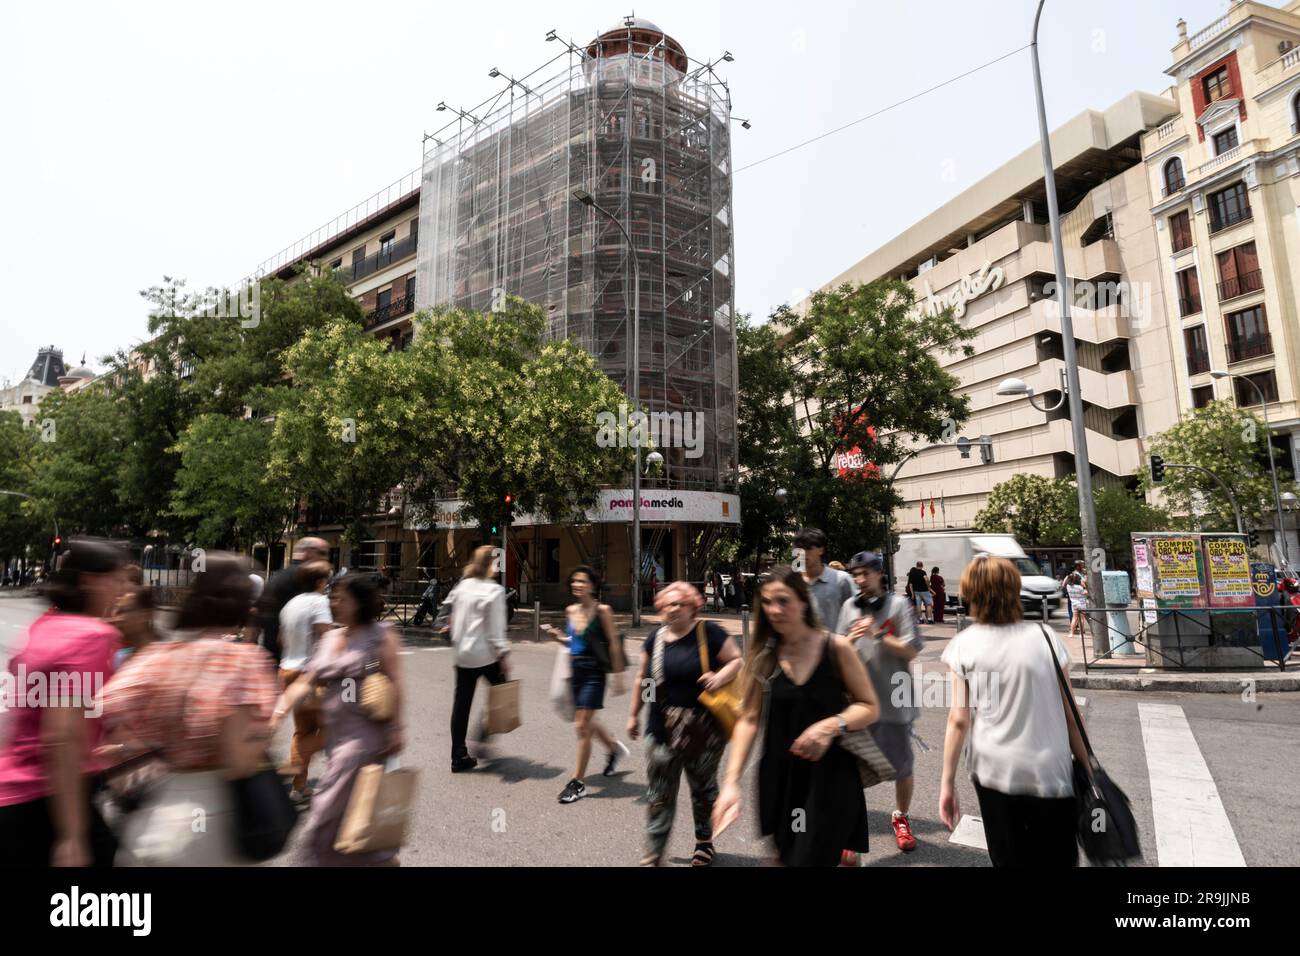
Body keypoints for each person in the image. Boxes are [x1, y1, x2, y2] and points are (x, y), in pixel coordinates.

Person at [99, 553, 279, 866]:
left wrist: (138, 751)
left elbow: (108, 710)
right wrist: (266, 731)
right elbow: (240, 761)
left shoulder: (156, 656)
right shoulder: (242, 661)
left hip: (155, 816)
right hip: (213, 818)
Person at [712, 566, 879, 867]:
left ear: (803, 601)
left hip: (830, 779)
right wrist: (731, 783)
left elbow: (869, 706)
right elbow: (748, 720)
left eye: (783, 601)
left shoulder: (836, 648)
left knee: (804, 857)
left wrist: (831, 725)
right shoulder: (763, 657)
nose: (774, 610)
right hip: (781, 780)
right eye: (767, 602)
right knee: (790, 856)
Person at [938, 555, 1088, 866]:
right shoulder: (1046, 638)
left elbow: (958, 720)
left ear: (970, 595)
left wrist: (947, 783)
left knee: (1008, 857)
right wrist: (1090, 770)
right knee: (1056, 857)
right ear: (1014, 590)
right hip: (1050, 770)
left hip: (993, 771)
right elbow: (1071, 715)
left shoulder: (963, 645)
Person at [0, 539, 127, 867]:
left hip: (15, 792)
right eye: (117, 579)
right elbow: (63, 737)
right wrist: (72, 835)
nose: (124, 589)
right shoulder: (91, 635)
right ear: (89, 580)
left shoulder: (44, 626)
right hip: (44, 798)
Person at [272, 573, 405, 866]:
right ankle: (379, 860)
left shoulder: (380, 635)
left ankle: (316, 861)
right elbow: (307, 681)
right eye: (333, 598)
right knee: (355, 817)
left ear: (358, 603)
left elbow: (395, 681)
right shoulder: (331, 637)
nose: (335, 603)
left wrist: (397, 728)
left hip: (364, 740)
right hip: (336, 738)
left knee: (326, 812)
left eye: (342, 599)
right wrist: (279, 711)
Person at [627, 581, 741, 866]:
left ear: (694, 606)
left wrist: (719, 678)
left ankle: (704, 842)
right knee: (659, 795)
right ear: (660, 608)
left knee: (702, 791)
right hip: (661, 728)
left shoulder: (709, 633)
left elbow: (736, 661)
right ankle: (653, 852)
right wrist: (633, 714)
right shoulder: (655, 639)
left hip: (703, 730)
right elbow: (644, 679)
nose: (674, 608)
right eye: (668, 604)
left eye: (680, 603)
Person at [837, 551, 924, 858]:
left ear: (879, 574)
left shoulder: (899, 604)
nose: (860, 580)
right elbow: (839, 649)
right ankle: (851, 829)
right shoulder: (849, 606)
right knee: (850, 768)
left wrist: (878, 635)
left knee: (901, 766)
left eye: (866, 574)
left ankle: (900, 817)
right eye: (856, 575)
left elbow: (912, 649)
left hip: (894, 700)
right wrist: (850, 639)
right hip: (858, 702)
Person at [542, 565, 628, 804]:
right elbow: (574, 642)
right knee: (588, 721)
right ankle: (614, 749)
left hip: (594, 672)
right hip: (575, 670)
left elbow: (612, 643)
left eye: (582, 581)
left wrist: (619, 676)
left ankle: (577, 783)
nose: (577, 585)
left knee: (582, 724)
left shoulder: (603, 611)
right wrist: (558, 637)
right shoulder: (571, 610)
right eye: (574, 581)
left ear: (592, 585)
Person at [445, 546, 511, 773]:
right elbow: (495, 629)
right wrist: (503, 653)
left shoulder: (462, 586)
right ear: (491, 563)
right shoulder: (494, 590)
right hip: (486, 655)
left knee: (461, 705)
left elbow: (450, 614)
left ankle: (458, 756)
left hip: (462, 653)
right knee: (501, 696)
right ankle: (482, 739)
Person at [277, 560, 334, 801]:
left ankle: (299, 787)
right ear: (321, 581)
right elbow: (327, 638)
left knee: (303, 732)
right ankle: (289, 769)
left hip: (287, 671)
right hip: (310, 675)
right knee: (336, 730)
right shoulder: (319, 601)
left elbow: (281, 639)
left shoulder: (290, 604)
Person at [257, 537, 329, 666]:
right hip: (302, 663)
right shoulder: (306, 583)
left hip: (276, 657)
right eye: (322, 553)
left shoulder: (279, 577)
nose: (325, 559)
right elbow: (325, 636)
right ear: (308, 552)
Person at [793, 527, 854, 630]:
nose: (803, 553)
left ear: (821, 549)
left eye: (808, 548)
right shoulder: (792, 582)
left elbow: (857, 614)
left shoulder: (842, 580)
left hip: (835, 644)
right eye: (800, 549)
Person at [108, 584, 158, 670]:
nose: (118, 619)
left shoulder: (162, 657)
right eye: (119, 612)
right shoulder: (120, 658)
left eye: (126, 611)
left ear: (145, 615)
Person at [1066, 572, 1088, 639]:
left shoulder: (1068, 586)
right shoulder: (1079, 587)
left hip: (1074, 604)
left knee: (1074, 618)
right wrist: (1085, 586)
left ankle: (1071, 633)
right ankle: (1081, 634)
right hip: (1081, 604)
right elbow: (1086, 593)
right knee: (1081, 619)